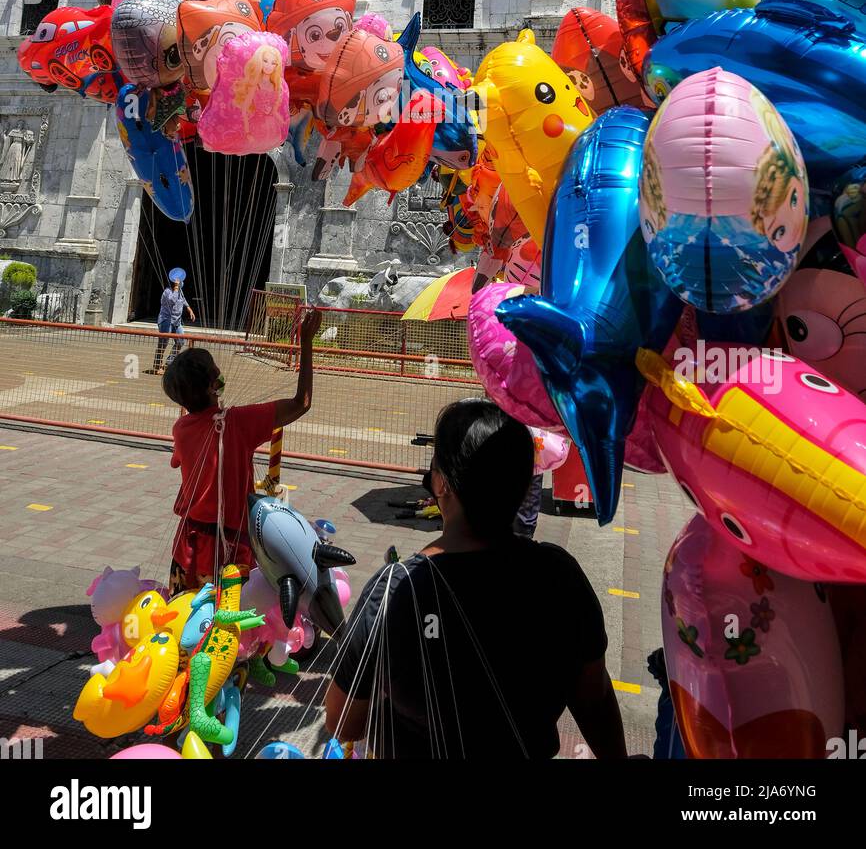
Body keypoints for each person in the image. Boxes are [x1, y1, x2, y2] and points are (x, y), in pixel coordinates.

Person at [325, 398, 627, 760]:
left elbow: (342, 721)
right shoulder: (559, 575)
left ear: (440, 483)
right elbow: (593, 697)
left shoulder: (396, 589)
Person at [162, 306, 321, 596]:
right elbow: (302, 403)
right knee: (231, 622)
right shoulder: (237, 423)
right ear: (213, 386)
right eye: (216, 370)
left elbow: (179, 461)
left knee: (184, 613)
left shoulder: (181, 428)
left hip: (189, 545)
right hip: (231, 548)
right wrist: (307, 343)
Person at [147, 268, 195, 373]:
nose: (181, 283)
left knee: (181, 341)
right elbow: (172, 300)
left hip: (176, 322)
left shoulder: (180, 291)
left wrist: (189, 309)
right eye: (179, 282)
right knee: (163, 342)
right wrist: (176, 287)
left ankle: (169, 363)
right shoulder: (167, 292)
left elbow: (183, 300)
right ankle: (158, 365)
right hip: (166, 320)